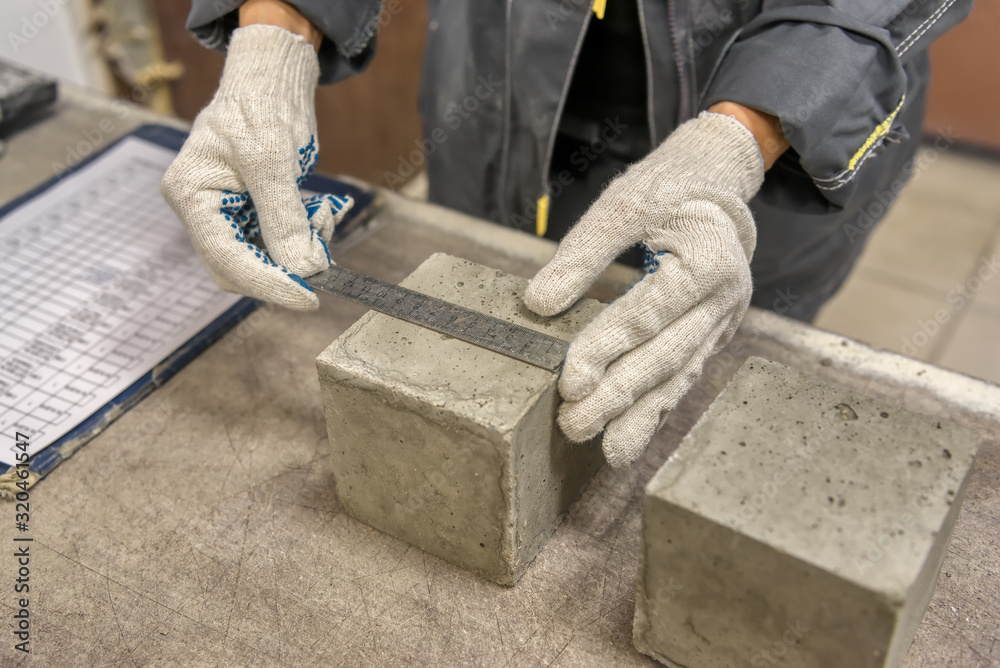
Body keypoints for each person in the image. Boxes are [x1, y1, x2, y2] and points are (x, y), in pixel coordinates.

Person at [161, 0, 972, 468]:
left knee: (693, 407)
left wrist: (747, 134)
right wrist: (275, 29)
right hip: (498, 98)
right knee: (492, 359)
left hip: (773, 139)